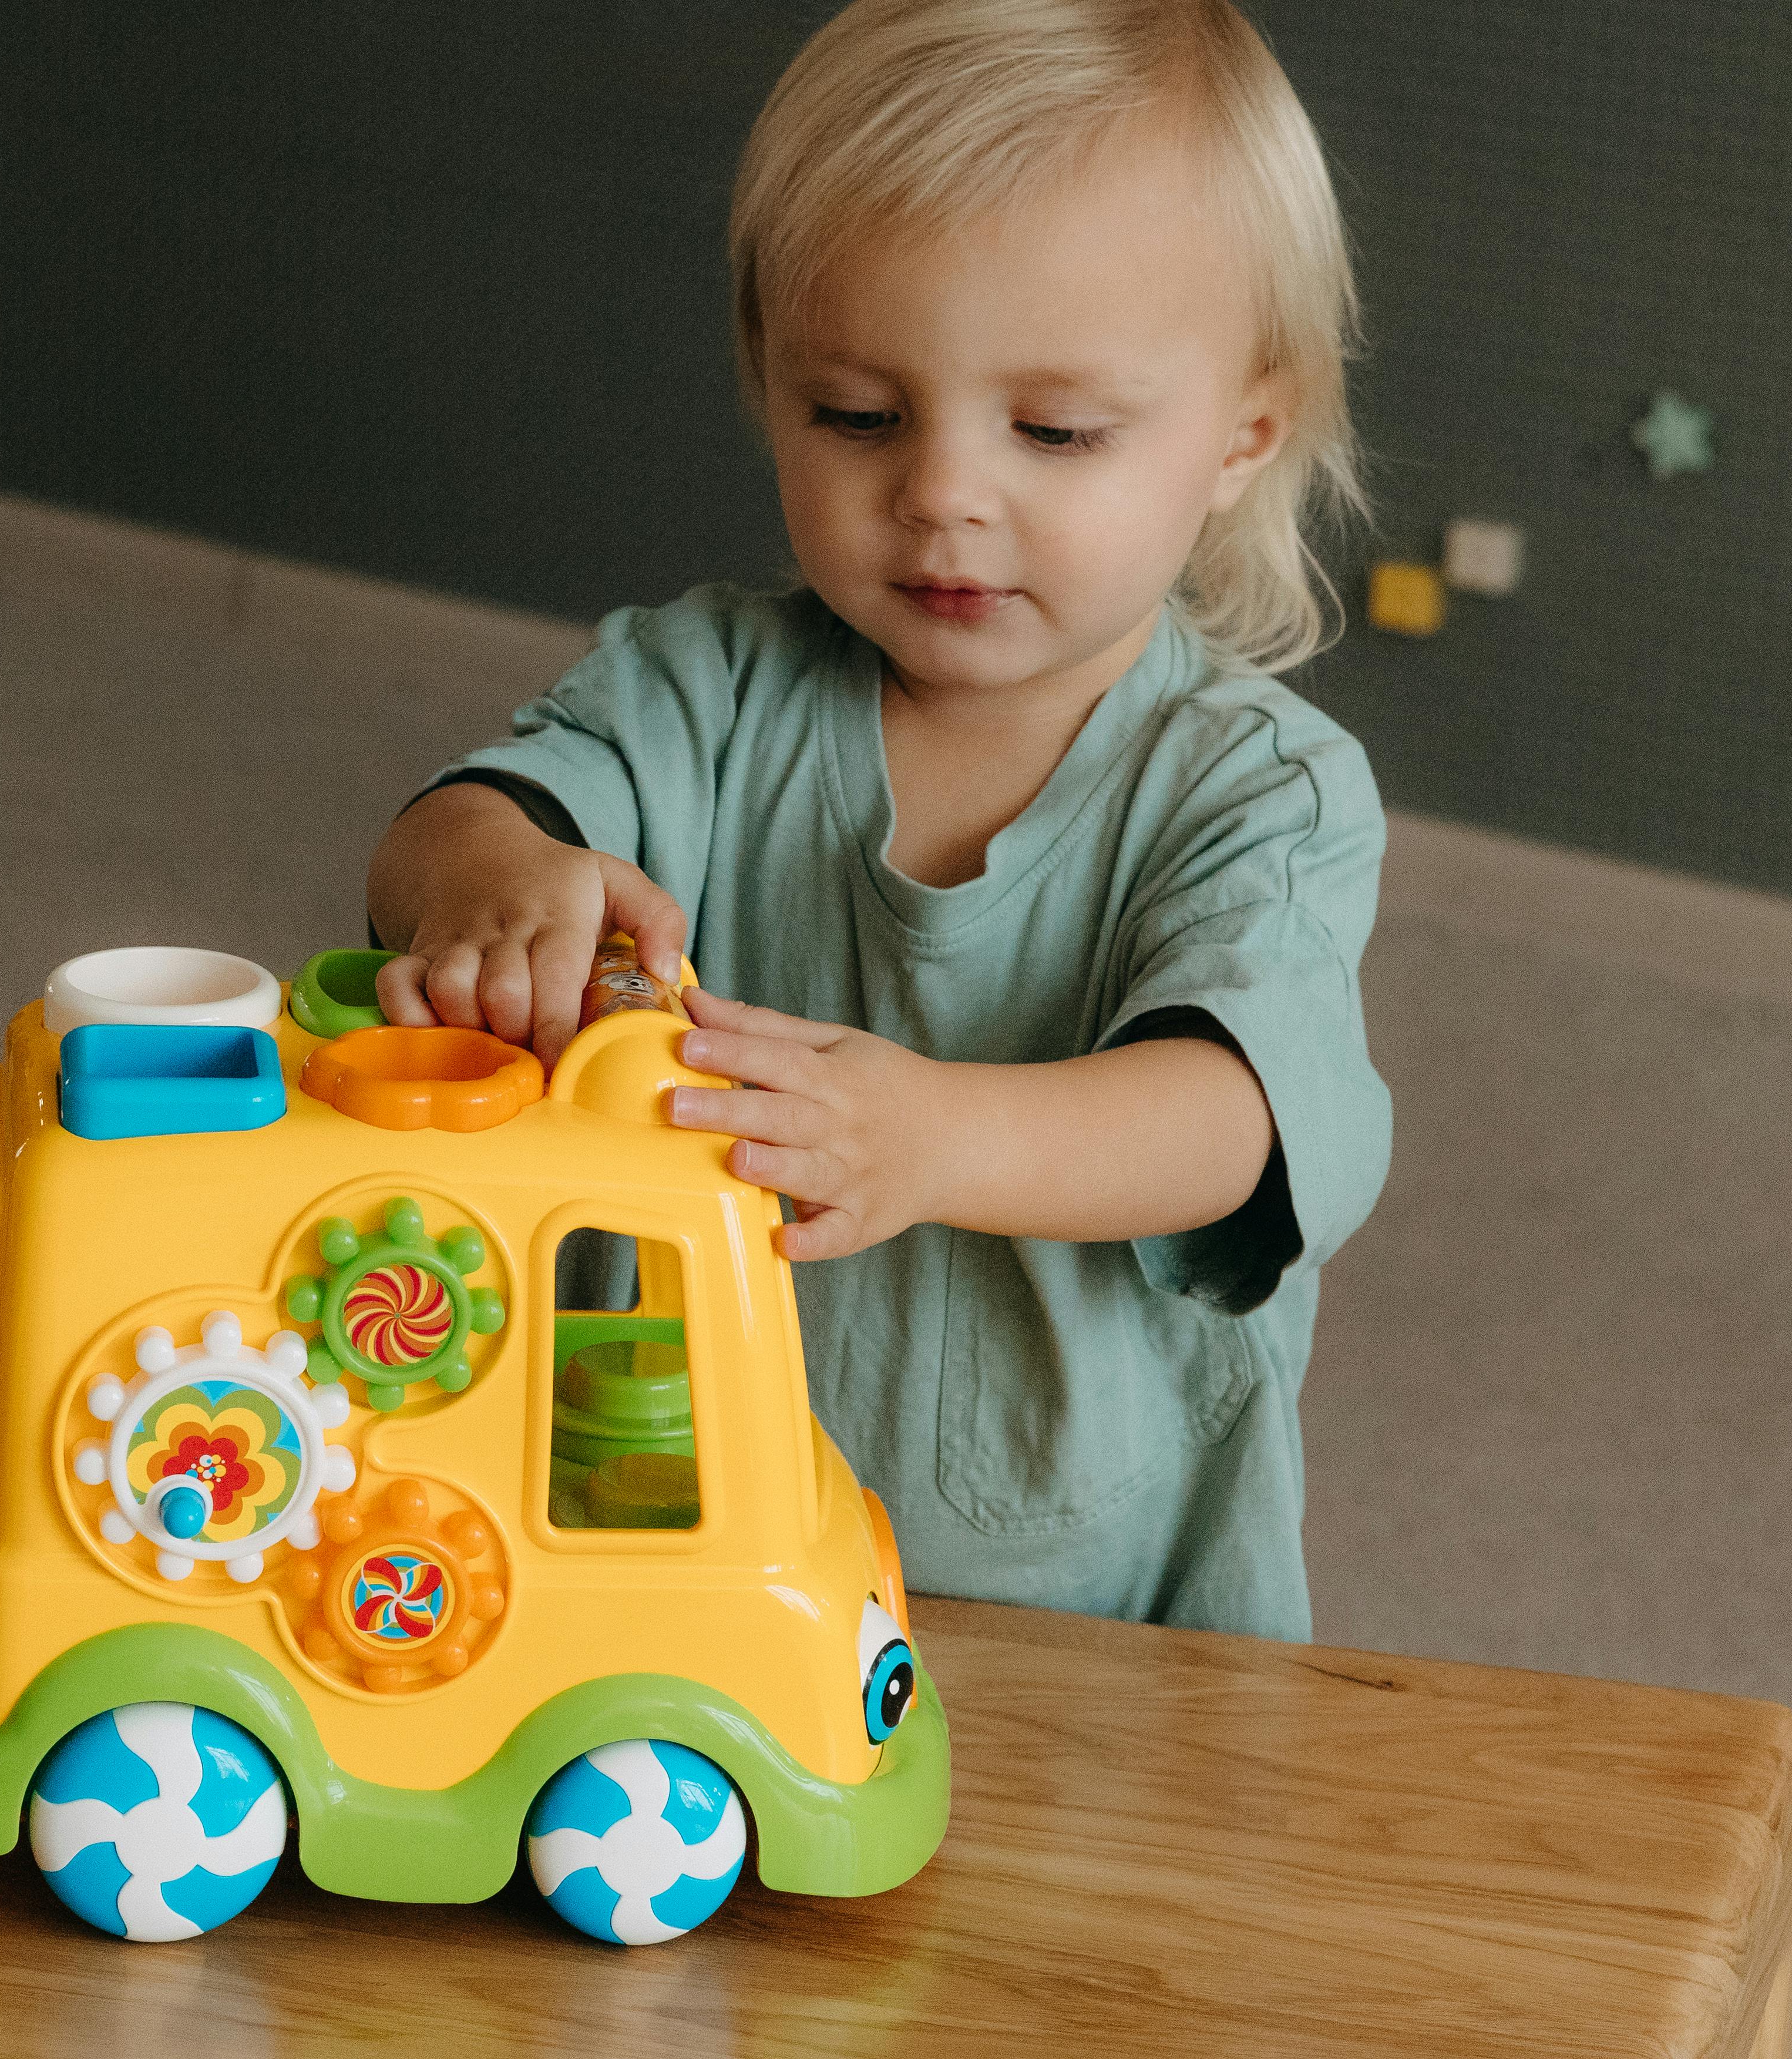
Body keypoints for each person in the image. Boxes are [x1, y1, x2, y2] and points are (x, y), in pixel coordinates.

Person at [364, 0, 1388, 1640]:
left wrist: (935, 1137)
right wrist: (498, 876)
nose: (941, 494)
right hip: (669, 1538)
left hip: (1070, 1598)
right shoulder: (702, 686)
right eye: (857, 413)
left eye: (1052, 431)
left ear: (1242, 433)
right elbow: (457, 826)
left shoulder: (1259, 787)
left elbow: (1235, 1120)